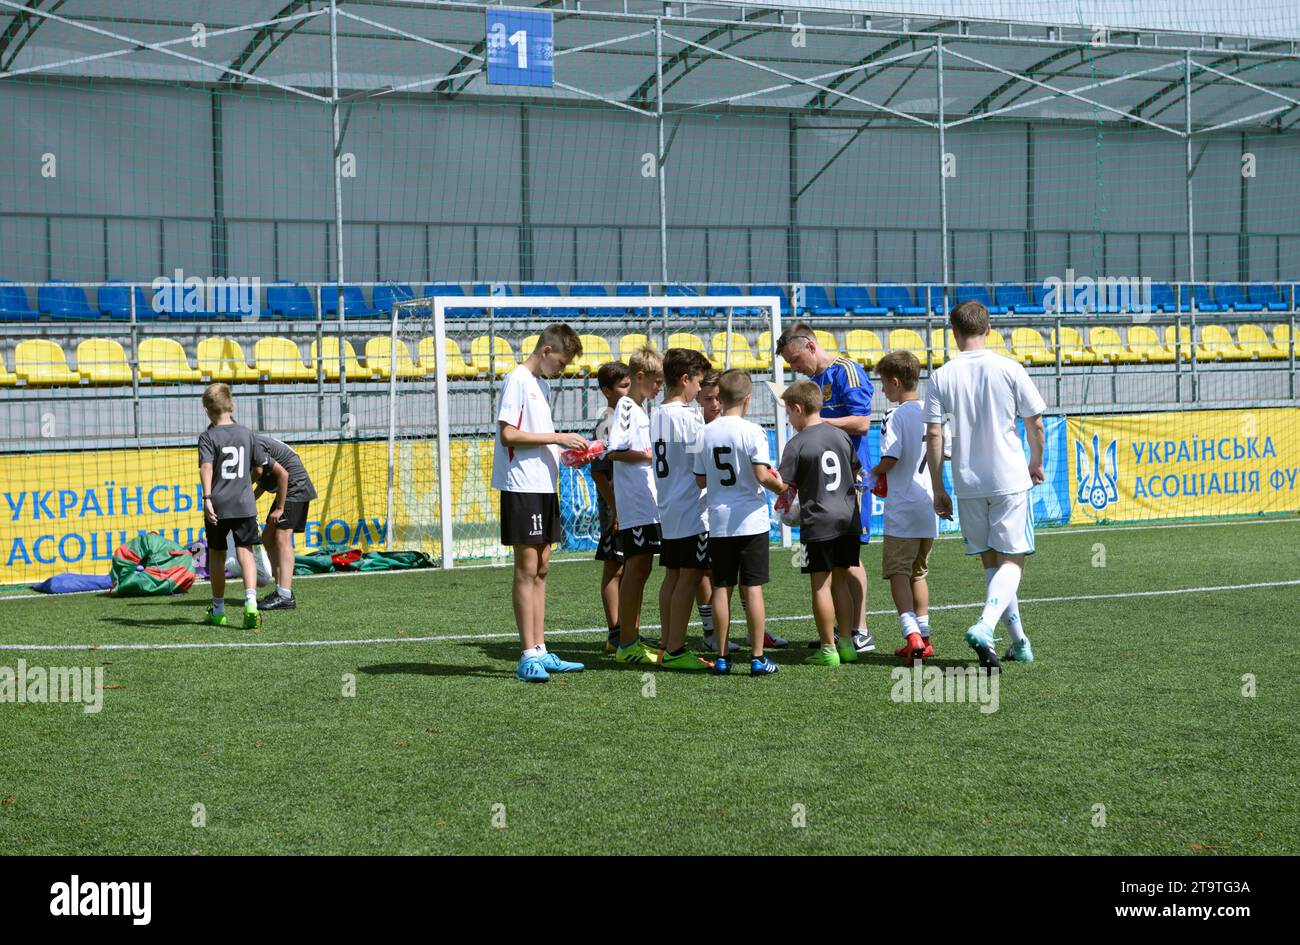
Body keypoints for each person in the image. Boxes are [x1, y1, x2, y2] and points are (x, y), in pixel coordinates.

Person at [923, 301, 1047, 669]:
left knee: (992, 562)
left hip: (968, 482)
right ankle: (985, 624)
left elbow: (933, 435)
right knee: (1014, 559)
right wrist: (1035, 463)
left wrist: (938, 487)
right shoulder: (1009, 368)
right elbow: (1036, 424)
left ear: (954, 333)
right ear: (989, 329)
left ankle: (1020, 642)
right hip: (1008, 479)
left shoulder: (942, 375)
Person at [491, 324, 589, 683]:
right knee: (527, 566)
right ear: (546, 351)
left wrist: (565, 453)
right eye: (561, 362)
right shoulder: (517, 379)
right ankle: (527, 653)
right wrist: (559, 437)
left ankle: (540, 649)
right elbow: (509, 435)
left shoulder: (541, 385)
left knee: (543, 565)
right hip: (522, 486)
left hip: (544, 485)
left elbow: (534, 437)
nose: (561, 370)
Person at [775, 324, 875, 654]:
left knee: (850, 559)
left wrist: (816, 424)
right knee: (831, 563)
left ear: (812, 346)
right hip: (819, 486)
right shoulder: (810, 384)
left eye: (795, 359)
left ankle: (860, 630)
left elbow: (862, 423)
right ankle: (838, 633)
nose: (794, 367)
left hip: (851, 480)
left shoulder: (846, 371)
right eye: (789, 363)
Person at [693, 370, 785, 676]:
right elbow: (762, 475)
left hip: (719, 521)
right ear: (747, 399)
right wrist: (784, 488)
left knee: (722, 587)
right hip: (751, 521)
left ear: (719, 398)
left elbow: (700, 479)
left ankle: (722, 657)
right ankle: (757, 659)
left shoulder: (705, 432)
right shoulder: (753, 431)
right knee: (753, 588)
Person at [776, 381, 862, 666]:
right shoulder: (840, 435)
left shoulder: (796, 443)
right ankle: (847, 644)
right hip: (848, 520)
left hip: (819, 522)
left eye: (789, 412)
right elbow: (854, 469)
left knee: (820, 586)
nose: (788, 418)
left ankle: (828, 649)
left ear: (798, 409)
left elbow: (783, 484)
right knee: (840, 584)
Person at [869, 351, 938, 664]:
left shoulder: (894, 416)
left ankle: (911, 635)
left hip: (903, 507)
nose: (883, 391)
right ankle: (924, 638)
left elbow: (891, 458)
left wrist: (871, 473)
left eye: (884, 384)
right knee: (918, 573)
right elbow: (942, 454)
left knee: (897, 571)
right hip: (928, 505)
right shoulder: (932, 411)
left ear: (895, 382)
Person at [651, 348, 713, 671]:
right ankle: (676, 648)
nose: (700, 390)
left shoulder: (657, 413)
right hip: (691, 506)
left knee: (672, 576)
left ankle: (666, 643)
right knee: (688, 576)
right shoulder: (688, 417)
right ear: (685, 379)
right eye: (698, 382)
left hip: (668, 506)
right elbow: (701, 469)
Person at [606, 345, 664, 665]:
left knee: (642, 569)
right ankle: (626, 643)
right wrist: (648, 455)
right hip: (635, 503)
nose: (659, 389)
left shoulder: (640, 408)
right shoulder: (627, 406)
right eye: (656, 382)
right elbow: (614, 451)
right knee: (636, 569)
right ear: (639, 377)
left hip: (646, 501)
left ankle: (631, 637)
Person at [198, 382, 270, 630]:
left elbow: (206, 466)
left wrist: (207, 498)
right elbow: (259, 468)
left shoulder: (208, 436)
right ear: (232, 405)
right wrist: (243, 484)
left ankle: (218, 610)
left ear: (207, 410)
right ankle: (251, 603)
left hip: (217, 504)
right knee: (245, 552)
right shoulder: (247, 433)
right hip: (243, 503)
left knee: (217, 556)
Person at [591, 361, 631, 653]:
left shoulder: (629, 415)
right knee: (615, 567)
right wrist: (615, 506)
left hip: (633, 503)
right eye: (622, 386)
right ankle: (615, 632)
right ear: (606, 390)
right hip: (616, 504)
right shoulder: (606, 421)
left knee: (632, 566)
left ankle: (628, 631)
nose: (628, 391)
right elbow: (598, 471)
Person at [252, 434, 313, 611]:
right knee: (268, 537)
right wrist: (248, 501)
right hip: (287, 487)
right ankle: (280, 590)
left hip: (295, 486)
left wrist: (279, 508)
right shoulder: (249, 445)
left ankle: (284, 595)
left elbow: (283, 475)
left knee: (281, 537)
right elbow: (264, 483)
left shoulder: (251, 444)